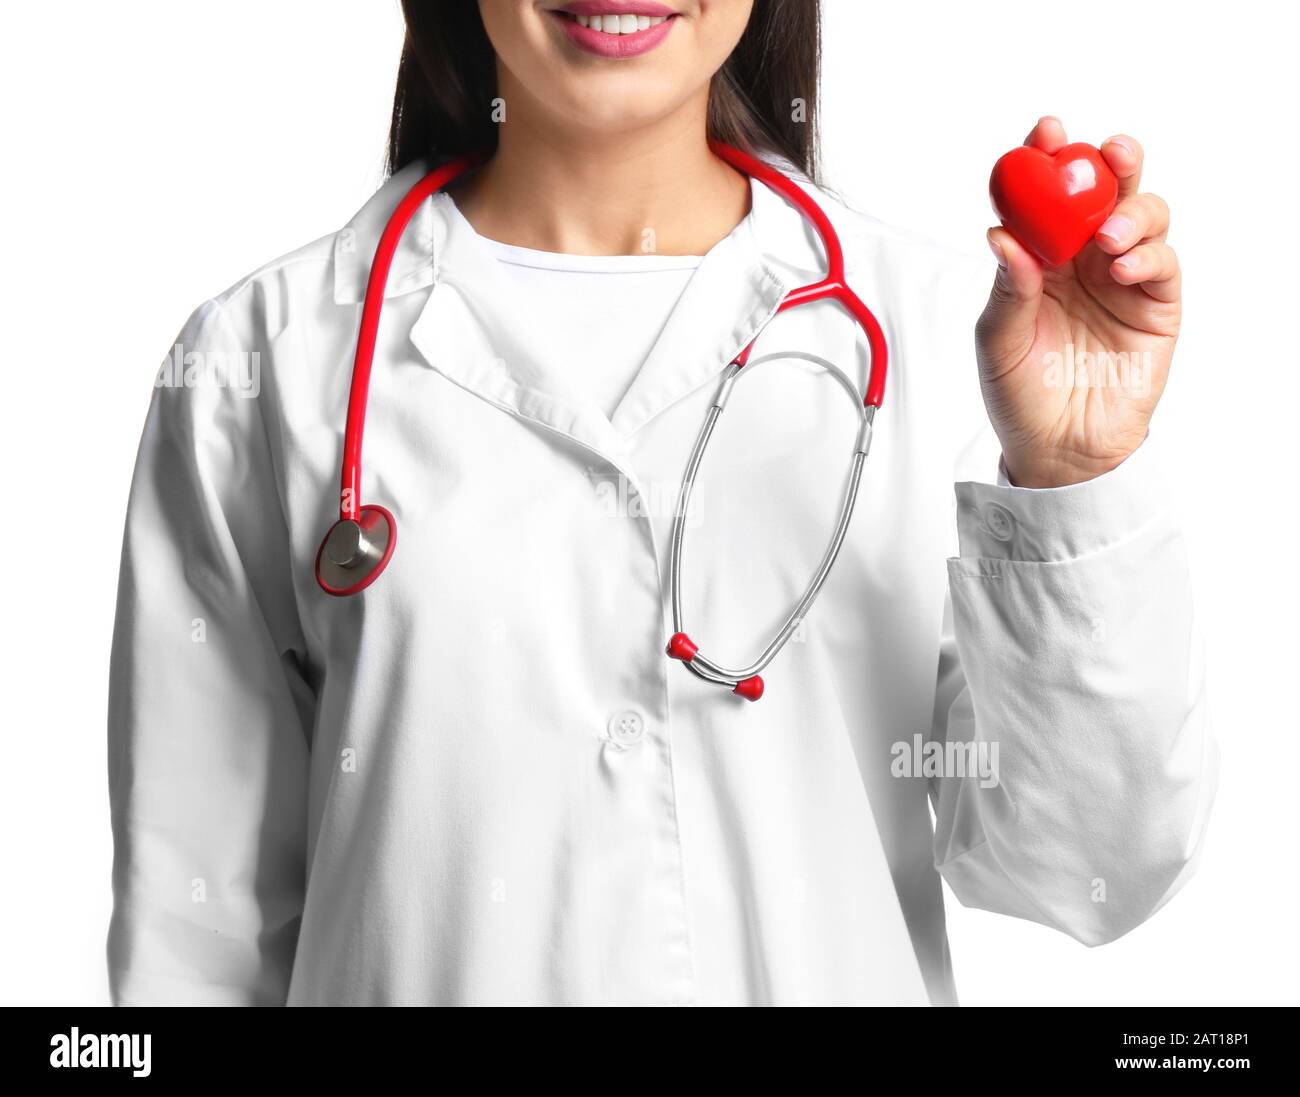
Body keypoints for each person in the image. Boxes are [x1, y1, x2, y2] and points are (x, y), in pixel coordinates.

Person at [107, 0, 1216, 1006]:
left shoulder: (942, 339)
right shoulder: (263, 362)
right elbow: (191, 940)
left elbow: (1086, 870)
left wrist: (1072, 475)